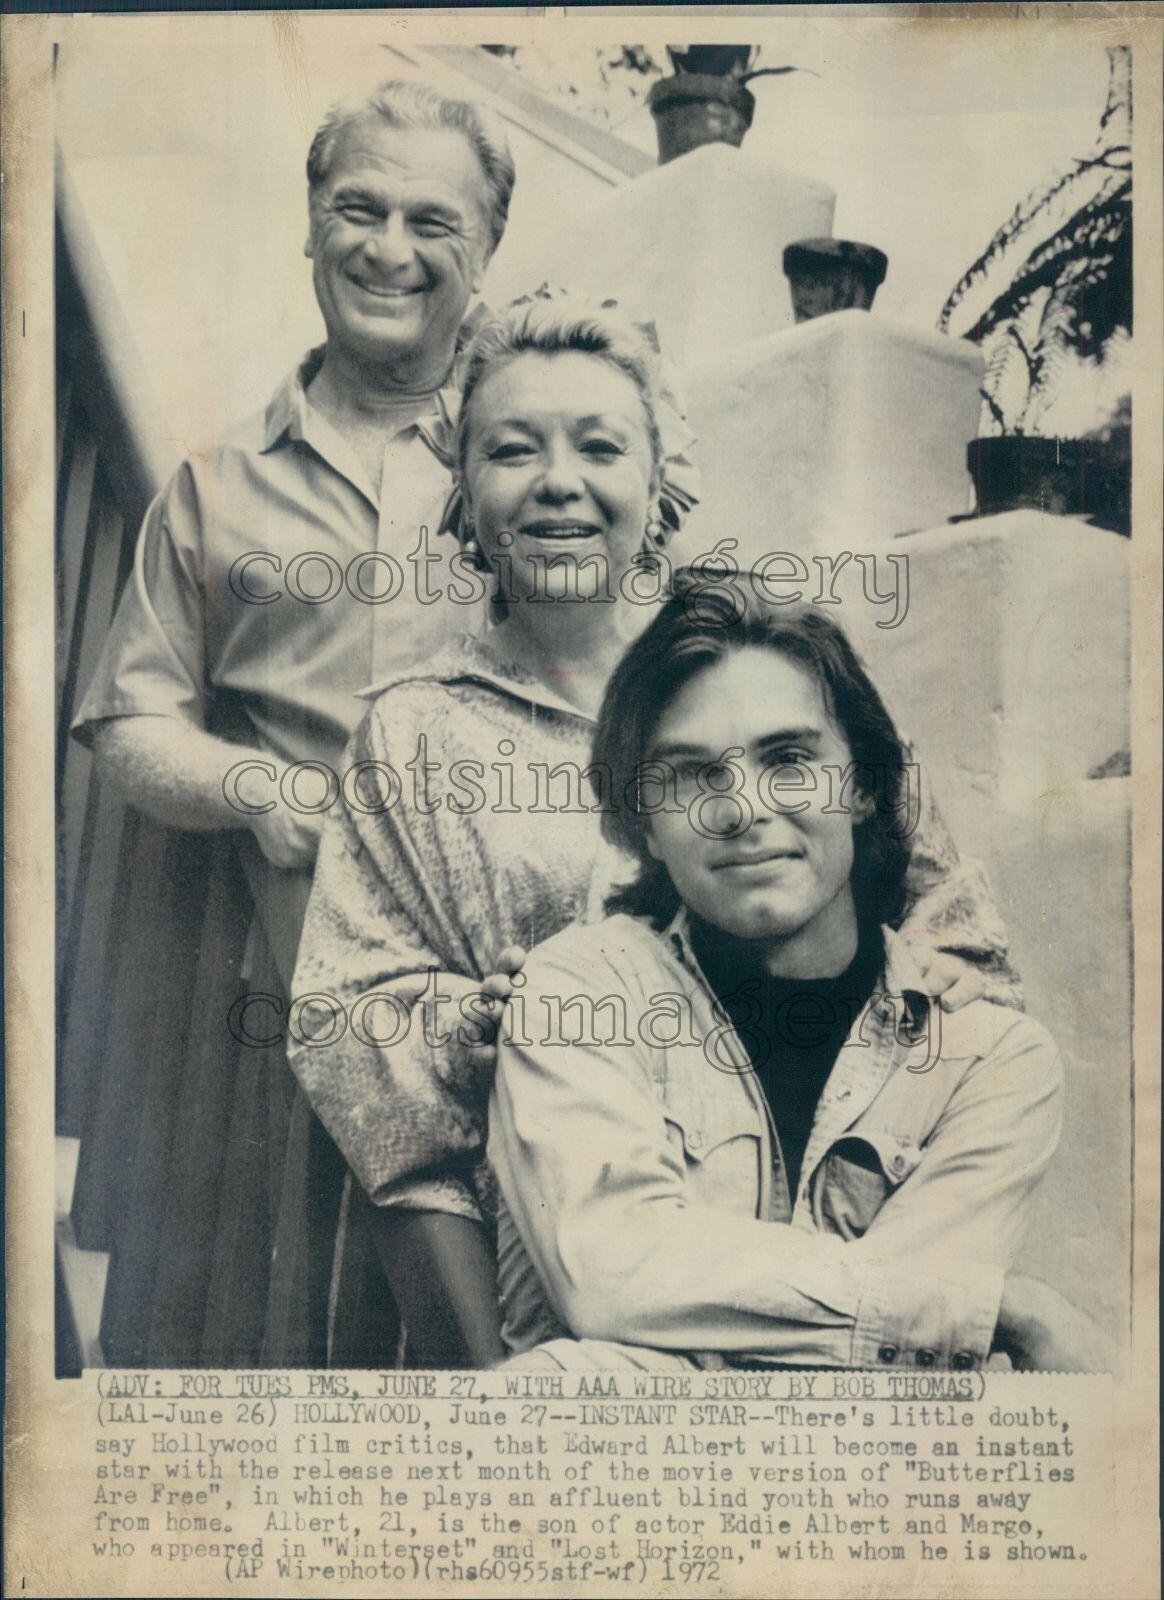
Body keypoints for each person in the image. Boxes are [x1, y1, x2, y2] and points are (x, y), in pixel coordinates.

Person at [289, 292, 1021, 1368]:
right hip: (567, 1284)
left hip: (835, 1251)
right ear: (463, 489)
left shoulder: (767, 673)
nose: (558, 482)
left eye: (600, 445)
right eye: (511, 449)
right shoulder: (414, 735)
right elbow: (352, 1036)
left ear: (660, 477)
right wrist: (478, 1023)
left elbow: (962, 945)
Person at [69, 79, 517, 1366]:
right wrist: (259, 791)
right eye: (354, 207)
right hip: (276, 979)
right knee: (276, 1330)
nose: (387, 246)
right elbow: (130, 717)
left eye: (432, 220)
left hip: (504, 987)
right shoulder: (212, 489)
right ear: (309, 227)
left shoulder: (538, 464)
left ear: (487, 253)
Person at [487, 580, 1113, 1373]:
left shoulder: (989, 1059)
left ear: (863, 787)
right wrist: (1003, 1310)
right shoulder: (575, 995)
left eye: (788, 759)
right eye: (688, 774)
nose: (741, 807)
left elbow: (879, 1385)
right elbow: (613, 1275)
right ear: (642, 820)